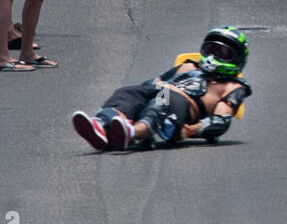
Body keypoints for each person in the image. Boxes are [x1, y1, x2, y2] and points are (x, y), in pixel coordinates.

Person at [71, 28, 252, 152]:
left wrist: (190, 131)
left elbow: (220, 121)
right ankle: (102, 125)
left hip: (178, 107)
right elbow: (155, 82)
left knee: (161, 99)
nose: (213, 56)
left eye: (222, 53)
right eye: (210, 49)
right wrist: (138, 97)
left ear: (236, 59)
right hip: (159, 92)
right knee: (128, 93)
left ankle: (132, 132)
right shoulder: (187, 67)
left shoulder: (232, 86)